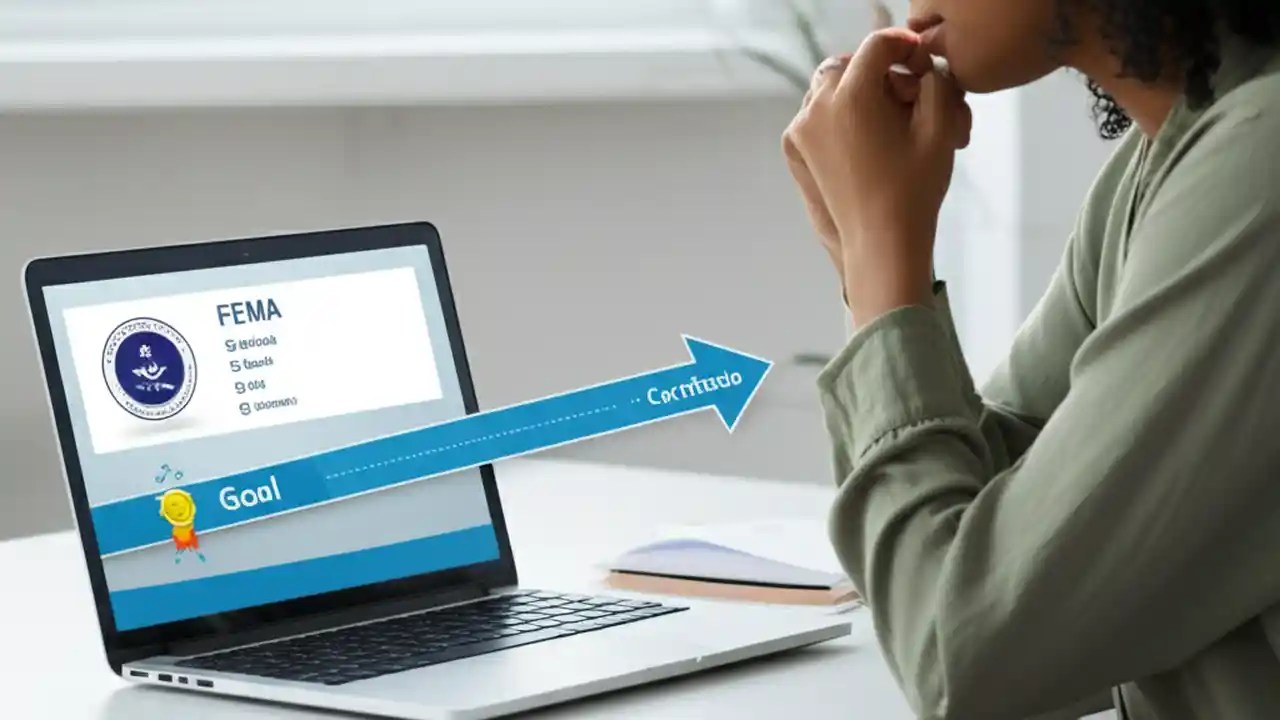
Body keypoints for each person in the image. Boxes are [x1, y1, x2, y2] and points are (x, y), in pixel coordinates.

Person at [781, 1, 1280, 718]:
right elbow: (1008, 511)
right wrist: (866, 242)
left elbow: (964, 658)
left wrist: (880, 265)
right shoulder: (1155, 170)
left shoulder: (1259, 171)